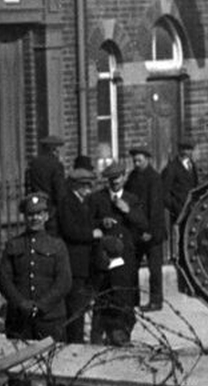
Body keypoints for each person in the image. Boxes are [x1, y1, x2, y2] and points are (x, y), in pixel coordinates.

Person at [0, 192, 73, 386]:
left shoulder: (57, 246)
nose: (35, 218)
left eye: (39, 214)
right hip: (20, 318)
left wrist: (41, 305)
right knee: (18, 371)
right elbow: (5, 281)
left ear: (46, 216)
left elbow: (64, 282)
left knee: (56, 368)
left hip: (49, 318)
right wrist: (20, 303)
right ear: (25, 217)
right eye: (30, 215)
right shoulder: (13, 245)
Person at [89, 162, 145, 346]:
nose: (115, 182)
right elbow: (89, 222)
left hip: (125, 259)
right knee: (103, 297)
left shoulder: (132, 199)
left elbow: (143, 225)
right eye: (111, 180)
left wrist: (127, 210)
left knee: (124, 298)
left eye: (118, 179)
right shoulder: (97, 199)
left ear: (123, 178)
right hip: (104, 257)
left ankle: (122, 334)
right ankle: (99, 335)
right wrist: (101, 222)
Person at [55, 166, 99, 343]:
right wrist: (91, 234)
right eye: (86, 186)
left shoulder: (81, 202)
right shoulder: (68, 202)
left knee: (80, 305)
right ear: (77, 186)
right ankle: (75, 342)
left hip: (83, 262)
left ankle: (77, 338)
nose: (89, 190)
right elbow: (70, 230)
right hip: (74, 262)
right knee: (75, 306)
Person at [124, 146, 167, 311]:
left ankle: (156, 300)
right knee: (132, 266)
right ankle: (133, 300)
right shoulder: (133, 177)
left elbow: (155, 208)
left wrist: (149, 231)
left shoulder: (154, 178)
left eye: (139, 160)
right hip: (137, 231)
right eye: (134, 160)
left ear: (147, 159)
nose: (136, 163)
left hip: (152, 232)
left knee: (154, 269)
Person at [161, 139, 200, 294]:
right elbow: (164, 193)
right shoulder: (171, 169)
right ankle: (185, 284)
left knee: (192, 246)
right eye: (185, 150)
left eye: (190, 150)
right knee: (182, 249)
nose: (188, 153)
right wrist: (176, 208)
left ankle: (194, 283)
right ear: (180, 151)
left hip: (192, 213)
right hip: (180, 215)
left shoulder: (192, 166)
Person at [26, 134, 66, 200]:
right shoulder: (56, 165)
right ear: (54, 150)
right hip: (50, 202)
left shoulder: (34, 163)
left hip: (36, 200)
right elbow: (59, 188)